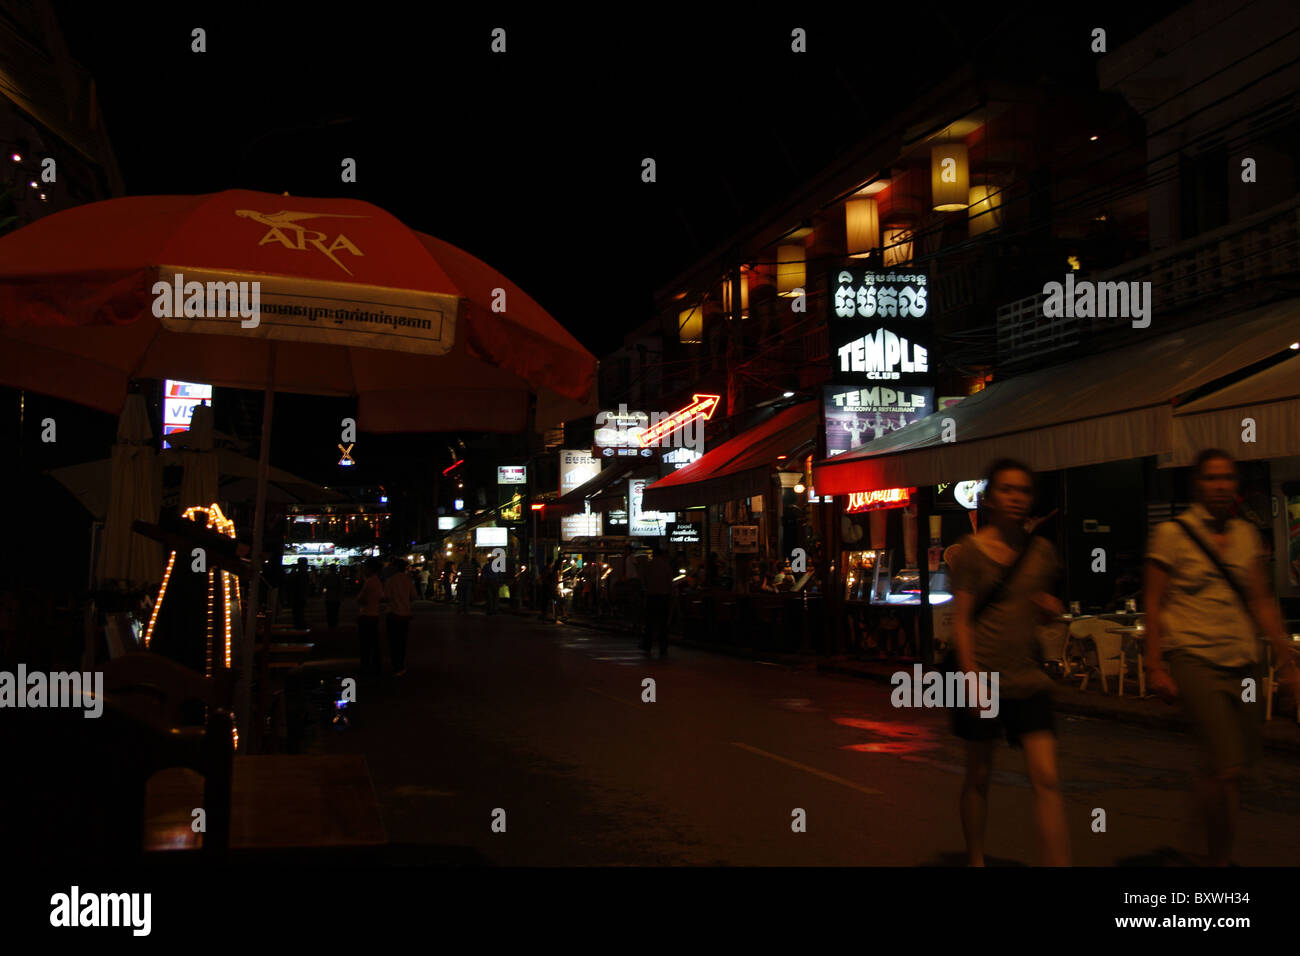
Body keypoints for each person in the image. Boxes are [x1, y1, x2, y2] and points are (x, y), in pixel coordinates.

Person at [1144, 448, 1300, 866]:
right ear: (1198, 484)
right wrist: (1155, 663)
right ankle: (1215, 859)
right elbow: (1154, 602)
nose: (1220, 486)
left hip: (1243, 660)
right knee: (1226, 765)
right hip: (1193, 656)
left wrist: (1287, 664)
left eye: (1227, 478)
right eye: (1212, 478)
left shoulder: (1247, 535)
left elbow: (1262, 600)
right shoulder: (1172, 535)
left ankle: (1201, 849)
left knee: (1234, 768)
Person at [950, 458, 1069, 867]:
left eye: (1023, 491)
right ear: (990, 497)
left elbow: (1036, 607)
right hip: (983, 677)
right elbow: (962, 621)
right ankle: (976, 859)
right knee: (979, 776)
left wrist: (1049, 609)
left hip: (1028, 677)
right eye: (1006, 490)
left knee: (1048, 779)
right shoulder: (970, 553)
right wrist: (971, 680)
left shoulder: (1042, 552)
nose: (1016, 499)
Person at [383, 558, 419, 676]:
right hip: (404, 614)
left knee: (393, 641)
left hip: (393, 614)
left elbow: (386, 597)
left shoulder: (390, 581)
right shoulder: (408, 580)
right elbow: (414, 596)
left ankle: (396, 665)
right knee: (402, 641)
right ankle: (400, 665)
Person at [641, 546, 674, 657]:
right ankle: (663, 648)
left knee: (650, 623)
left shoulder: (649, 566)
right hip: (663, 597)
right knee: (663, 624)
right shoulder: (666, 566)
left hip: (651, 596)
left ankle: (647, 644)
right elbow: (670, 583)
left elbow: (644, 580)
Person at [357, 557, 384, 677]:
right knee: (373, 642)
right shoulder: (377, 581)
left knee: (366, 643)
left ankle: (366, 666)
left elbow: (361, 599)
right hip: (373, 614)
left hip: (367, 615)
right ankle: (375, 666)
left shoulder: (370, 582)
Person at [285, 557, 311, 629]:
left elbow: (290, 582)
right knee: (299, 612)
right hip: (300, 595)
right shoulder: (304, 573)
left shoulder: (299, 573)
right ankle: (300, 626)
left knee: (297, 613)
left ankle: (299, 626)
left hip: (297, 595)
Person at [321, 562, 342, 629]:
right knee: (335, 612)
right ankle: (334, 623)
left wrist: (322, 592)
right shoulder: (338, 576)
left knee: (329, 611)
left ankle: (330, 624)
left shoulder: (327, 576)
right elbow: (341, 587)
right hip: (336, 597)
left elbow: (322, 586)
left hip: (329, 596)